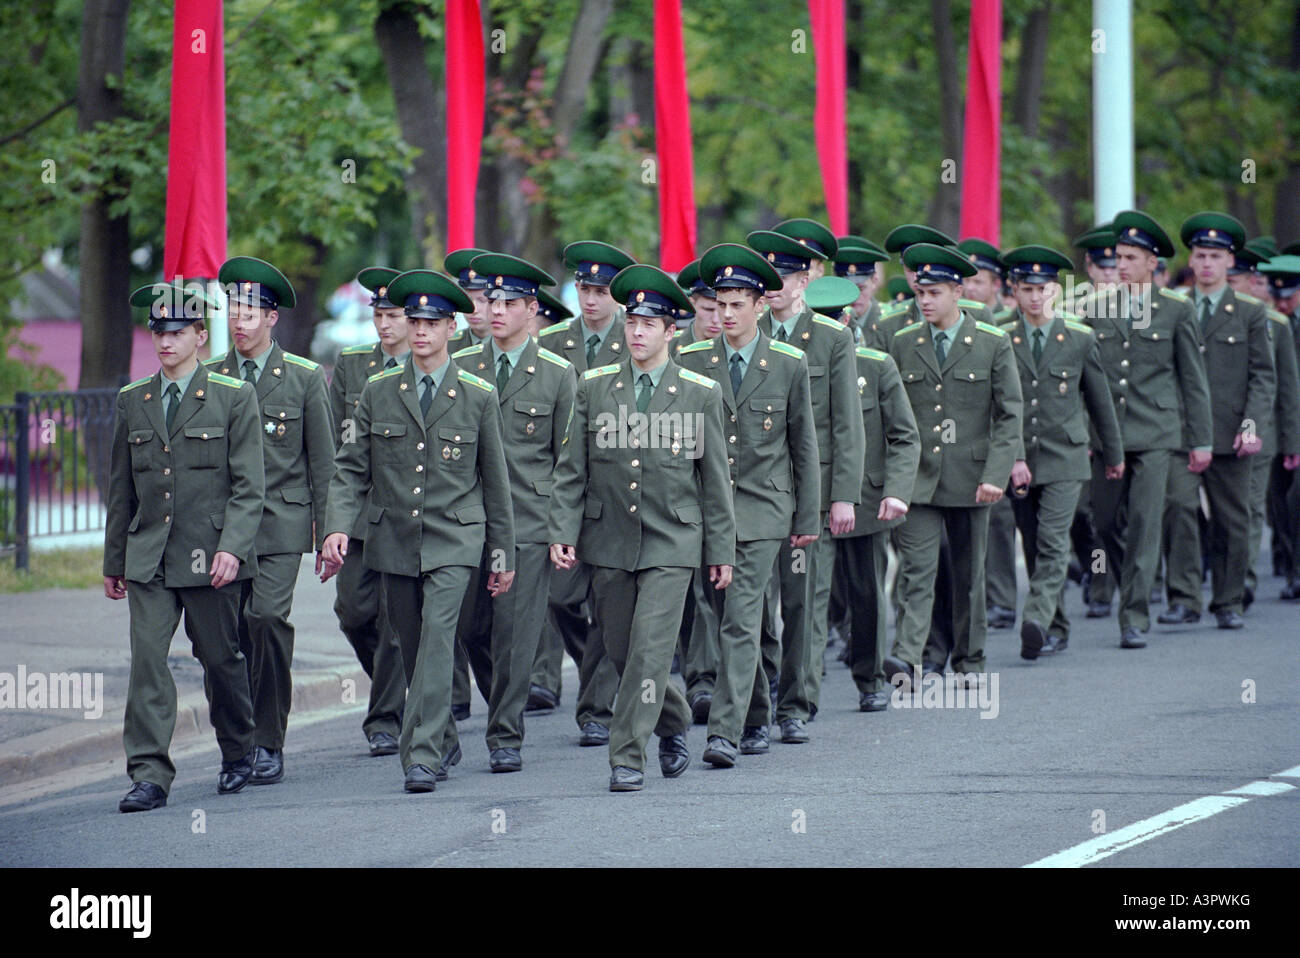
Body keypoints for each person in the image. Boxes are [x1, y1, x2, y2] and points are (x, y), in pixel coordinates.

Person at [322, 269, 515, 793]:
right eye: (415, 321)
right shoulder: (379, 390)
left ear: (452, 328)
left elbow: (495, 484)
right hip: (395, 541)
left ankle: (422, 753)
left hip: (456, 539)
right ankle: (443, 734)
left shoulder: (477, 394)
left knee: (435, 639)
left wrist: (502, 556)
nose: (421, 330)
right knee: (409, 643)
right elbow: (351, 468)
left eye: (432, 322)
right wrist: (337, 527)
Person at [549, 263, 736, 791]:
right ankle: (673, 721)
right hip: (608, 539)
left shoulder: (700, 393)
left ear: (671, 331)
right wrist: (562, 531)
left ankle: (626, 756)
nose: (636, 333)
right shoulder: (593, 388)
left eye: (649, 325)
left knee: (652, 649)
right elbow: (572, 470)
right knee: (622, 650)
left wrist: (720, 549)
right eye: (632, 323)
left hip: (673, 540)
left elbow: (715, 480)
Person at [105, 280, 264, 811]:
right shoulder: (133, 401)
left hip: (211, 554)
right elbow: (121, 489)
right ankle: (149, 774)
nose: (165, 341)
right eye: (158, 331)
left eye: (177, 332)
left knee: (220, 659)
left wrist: (233, 548)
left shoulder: (233, 397)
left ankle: (239, 750)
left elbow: (249, 486)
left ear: (200, 336)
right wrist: (114, 561)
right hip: (149, 556)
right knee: (148, 661)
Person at [676, 244, 819, 768]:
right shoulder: (690, 362)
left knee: (738, 618)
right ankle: (759, 714)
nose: (727, 314)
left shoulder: (788, 364)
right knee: (741, 620)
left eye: (739, 303)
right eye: (721, 303)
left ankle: (725, 732)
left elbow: (803, 445)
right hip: (706, 513)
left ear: (761, 305)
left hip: (763, 510)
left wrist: (807, 517)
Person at [207, 256, 335, 786]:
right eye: (233, 309)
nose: (240, 320)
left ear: (272, 318)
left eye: (250, 311)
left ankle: (269, 739)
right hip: (223, 530)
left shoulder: (303, 379)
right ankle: (236, 742)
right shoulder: (210, 376)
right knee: (224, 637)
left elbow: (325, 463)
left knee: (265, 621)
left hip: (282, 523)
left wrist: (329, 533)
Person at [449, 253, 576, 773]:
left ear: (531, 309)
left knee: (517, 634)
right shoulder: (460, 366)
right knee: (471, 628)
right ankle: (498, 696)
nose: (495, 310)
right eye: (489, 301)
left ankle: (505, 733)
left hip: (527, 521)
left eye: (507, 303)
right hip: (467, 522)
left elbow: (570, 462)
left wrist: (561, 530)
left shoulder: (557, 374)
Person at [883, 243, 1022, 683]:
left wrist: (996, 475)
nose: (924, 300)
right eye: (920, 292)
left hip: (972, 479)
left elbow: (1009, 413)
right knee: (917, 571)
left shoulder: (992, 342)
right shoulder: (903, 343)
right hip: (919, 480)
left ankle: (969, 658)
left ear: (958, 292)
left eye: (935, 292)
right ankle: (909, 654)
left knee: (967, 575)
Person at [746, 222, 862, 742]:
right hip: (756, 490)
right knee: (752, 602)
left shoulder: (832, 336)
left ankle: (796, 703)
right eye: (767, 277)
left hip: (809, 495)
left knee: (803, 601)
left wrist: (842, 496)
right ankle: (766, 683)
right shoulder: (750, 333)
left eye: (785, 275)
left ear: (808, 278)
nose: (774, 286)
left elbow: (846, 422)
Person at [1083, 210, 1213, 649]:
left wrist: (1200, 439)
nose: (1121, 264)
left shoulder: (1177, 308)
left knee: (1144, 522)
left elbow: (1192, 378)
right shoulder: (1096, 307)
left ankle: (1134, 614)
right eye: (1118, 256)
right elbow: (1086, 378)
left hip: (1157, 432)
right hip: (1108, 435)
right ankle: (1130, 583)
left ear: (1152, 262)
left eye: (1131, 257)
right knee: (1101, 521)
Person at [527, 241, 633, 745]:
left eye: (600, 290)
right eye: (583, 289)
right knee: (563, 597)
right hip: (562, 489)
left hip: (617, 492)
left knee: (609, 603)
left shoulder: (637, 338)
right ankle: (590, 661)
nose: (590, 299)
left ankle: (596, 706)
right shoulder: (550, 342)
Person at [1151, 214, 1275, 631]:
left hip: (1230, 432)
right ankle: (1184, 598)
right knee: (1179, 510)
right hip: (1180, 432)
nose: (1206, 263)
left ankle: (1228, 599)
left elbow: (1263, 376)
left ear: (1229, 262)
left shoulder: (1250, 314)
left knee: (1232, 519)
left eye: (1215, 256)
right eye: (1200, 255)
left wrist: (1252, 424)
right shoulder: (1172, 307)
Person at [998, 246, 1123, 659]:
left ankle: (1034, 617)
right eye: (1027, 288)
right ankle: (1056, 627)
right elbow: (998, 406)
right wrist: (1011, 455)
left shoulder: (1079, 337)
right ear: (1014, 290)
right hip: (1019, 459)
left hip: (1067, 457)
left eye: (1044, 288)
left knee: (1053, 542)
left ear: (1057, 290)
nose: (1036, 297)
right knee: (1032, 543)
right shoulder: (1000, 337)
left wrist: (1114, 455)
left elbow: (1100, 401)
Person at [807, 277, 919, 711]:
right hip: (813, 500)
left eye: (831, 321)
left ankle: (869, 677)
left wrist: (897, 491)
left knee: (866, 594)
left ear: (848, 319)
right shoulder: (798, 364)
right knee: (811, 596)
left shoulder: (875, 365)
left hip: (866, 502)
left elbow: (905, 437)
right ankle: (803, 689)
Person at [328, 267, 410, 757]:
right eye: (378, 314)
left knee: (397, 621)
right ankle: (393, 683)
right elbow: (342, 446)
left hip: (408, 513)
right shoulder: (355, 365)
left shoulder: (436, 365)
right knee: (354, 613)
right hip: (362, 513)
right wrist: (332, 519)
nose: (385, 324)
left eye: (394, 315)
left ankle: (385, 717)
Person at [1227, 247, 1300, 608]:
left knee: (1259, 507)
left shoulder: (1275, 325)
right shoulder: (1201, 317)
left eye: (1243, 280)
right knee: (1239, 507)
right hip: (1219, 429)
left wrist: (1291, 441)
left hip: (1265, 430)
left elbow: (1286, 390)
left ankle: (1245, 580)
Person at [958, 238, 1018, 632]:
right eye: (969, 281)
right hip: (961, 449)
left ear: (997, 285)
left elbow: (1011, 406)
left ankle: (1002, 599)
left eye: (982, 281)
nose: (974, 289)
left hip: (998, 446)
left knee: (999, 525)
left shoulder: (1000, 330)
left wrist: (1012, 459)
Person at [1069, 224, 1120, 618]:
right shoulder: (1071, 310)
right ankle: (1097, 576)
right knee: (1084, 513)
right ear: (1089, 266)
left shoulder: (1140, 308)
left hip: (1135, 426)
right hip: (1083, 430)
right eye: (1101, 267)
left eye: (1115, 265)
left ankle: (1120, 581)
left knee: (1126, 513)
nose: (1108, 274)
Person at [1257, 256, 1300, 598]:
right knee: (1281, 499)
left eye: (1291, 295)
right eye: (1278, 295)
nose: (1283, 302)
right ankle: (1288, 560)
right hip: (1279, 422)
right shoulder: (1268, 324)